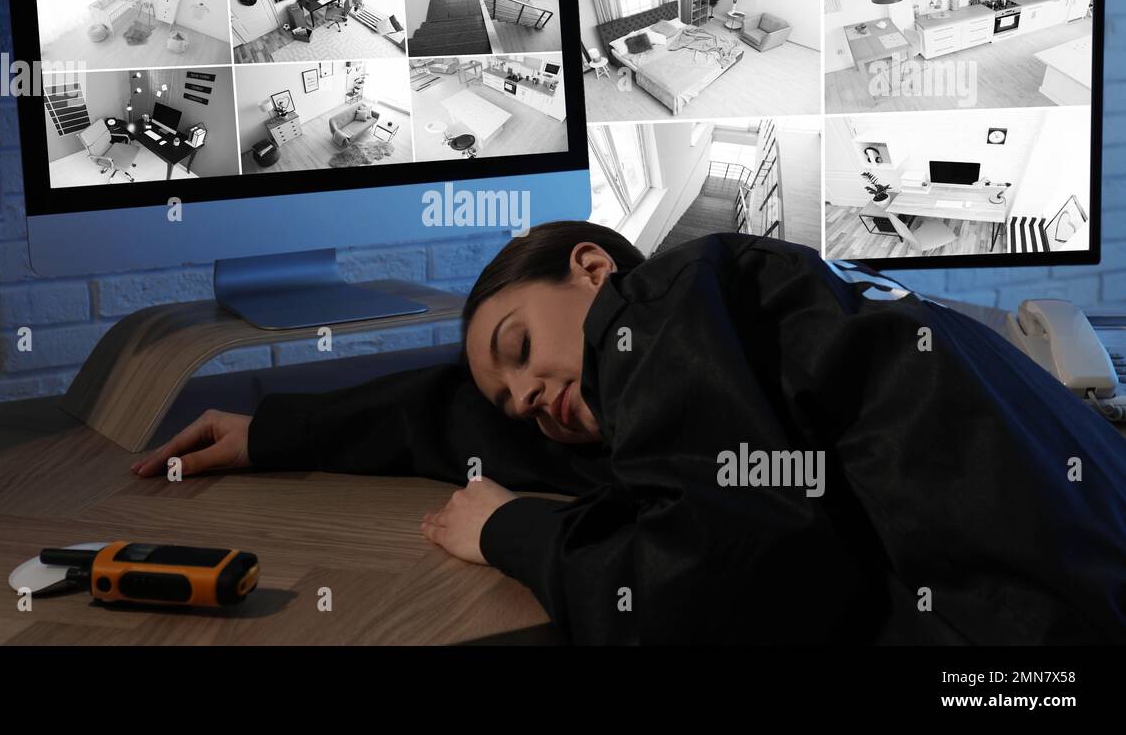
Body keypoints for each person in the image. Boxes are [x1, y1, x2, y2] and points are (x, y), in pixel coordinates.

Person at [131, 223, 1126, 644]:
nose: (532, 394)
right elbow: (465, 411)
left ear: (593, 267)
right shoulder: (743, 322)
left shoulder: (661, 306)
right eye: (516, 397)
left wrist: (511, 532)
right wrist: (276, 430)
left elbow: (705, 587)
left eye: (519, 345)